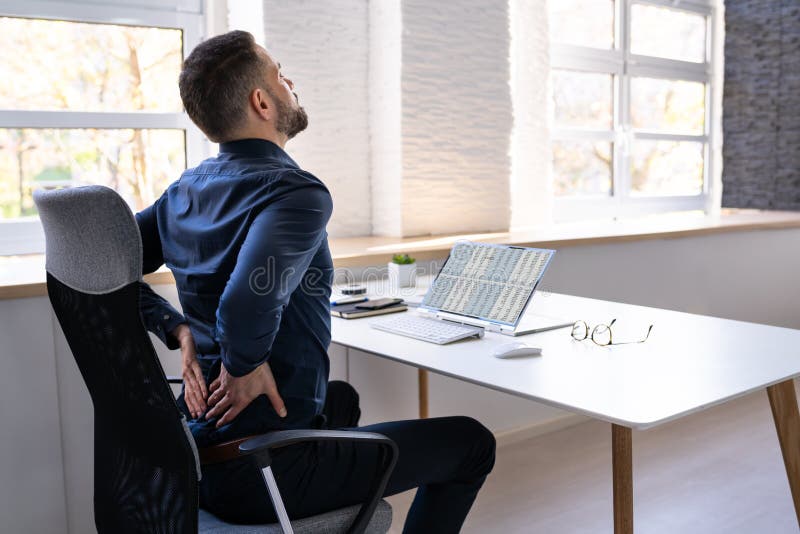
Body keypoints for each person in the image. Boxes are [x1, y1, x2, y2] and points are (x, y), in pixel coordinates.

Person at [136, 30, 495, 533]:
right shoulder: (294, 192)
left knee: (340, 397)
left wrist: (177, 330)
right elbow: (244, 307)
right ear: (261, 101)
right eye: (280, 74)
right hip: (266, 472)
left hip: (198, 458)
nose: (290, 81)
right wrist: (245, 361)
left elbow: (109, 271)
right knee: (472, 443)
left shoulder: (182, 192)